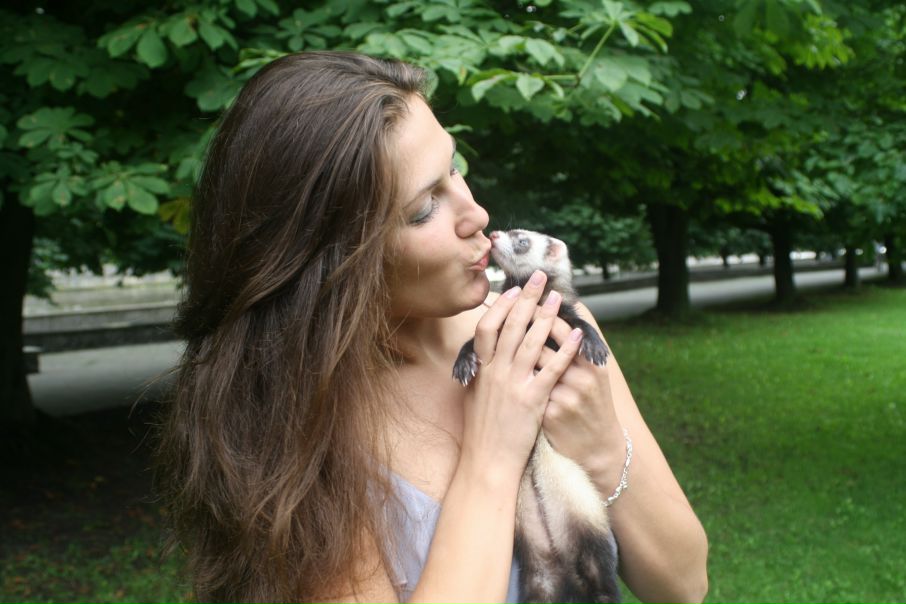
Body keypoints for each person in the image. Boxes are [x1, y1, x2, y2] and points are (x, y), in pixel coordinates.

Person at [155, 51, 708, 604]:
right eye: (423, 210)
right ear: (329, 259)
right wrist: (493, 456)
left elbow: (684, 586)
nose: (478, 215)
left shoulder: (549, 330)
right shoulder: (295, 427)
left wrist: (601, 444)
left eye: (455, 168)